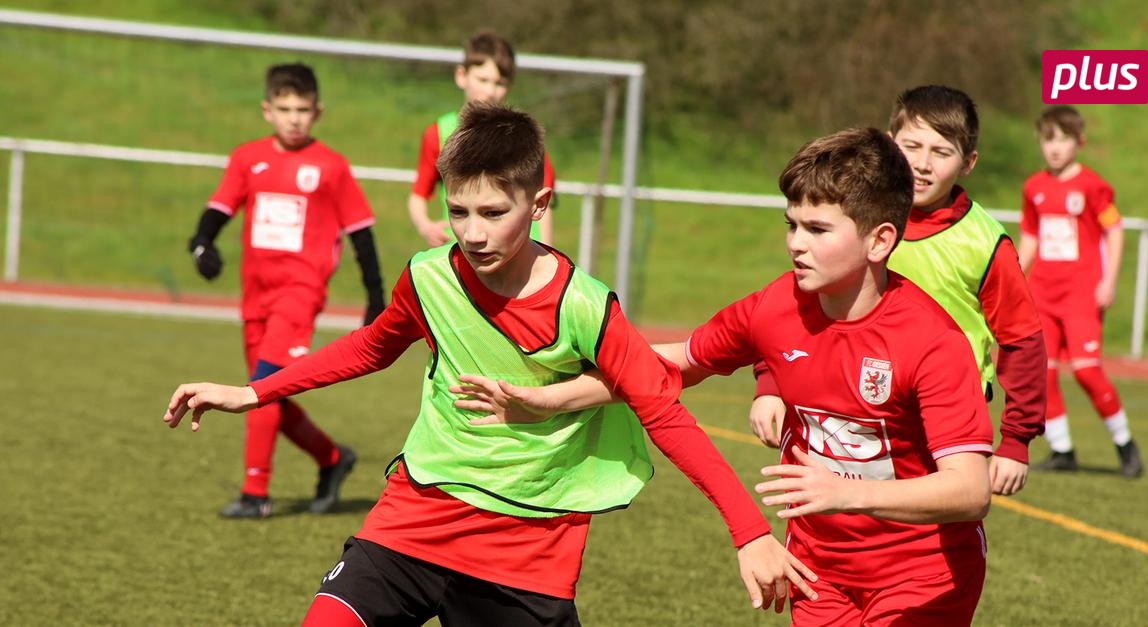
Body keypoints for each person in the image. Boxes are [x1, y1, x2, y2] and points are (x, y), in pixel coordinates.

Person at [165, 102, 814, 626]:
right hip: (416, 514)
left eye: (493, 213)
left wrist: (750, 531)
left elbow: (665, 415)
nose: (472, 232)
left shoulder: (582, 306)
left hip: (527, 546)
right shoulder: (427, 276)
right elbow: (371, 346)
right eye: (458, 211)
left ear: (538, 204)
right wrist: (253, 393)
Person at [454, 127, 995, 625]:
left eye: (817, 228)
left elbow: (969, 490)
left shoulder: (931, 340)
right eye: (791, 223)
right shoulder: (776, 307)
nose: (795, 243)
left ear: (879, 241)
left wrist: (842, 492)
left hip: (924, 575)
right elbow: (667, 364)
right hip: (817, 570)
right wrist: (556, 399)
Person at [751, 85, 1046, 496]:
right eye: (912, 146)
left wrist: (1016, 439)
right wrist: (770, 385)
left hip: (944, 416)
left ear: (969, 163)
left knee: (926, 529)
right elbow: (793, 310)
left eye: (941, 153)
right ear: (892, 145)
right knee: (835, 524)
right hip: (846, 406)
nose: (923, 165)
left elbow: (1022, 340)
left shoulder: (985, 243)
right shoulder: (850, 218)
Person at [185, 62, 384, 518]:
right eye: (284, 108)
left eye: (303, 109)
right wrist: (201, 244)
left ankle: (255, 494)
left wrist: (375, 295)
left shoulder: (331, 167)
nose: (294, 117)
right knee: (268, 390)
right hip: (256, 294)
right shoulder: (246, 157)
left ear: (318, 112)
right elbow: (218, 208)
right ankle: (333, 458)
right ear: (267, 110)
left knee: (259, 385)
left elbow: (362, 231)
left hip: (301, 291)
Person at [1018, 104, 1144, 478]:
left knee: (1087, 371)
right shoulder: (1033, 188)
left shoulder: (1092, 186)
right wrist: (1014, 284)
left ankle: (1125, 445)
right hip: (1043, 293)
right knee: (1043, 373)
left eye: (1062, 139)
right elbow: (1029, 241)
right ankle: (1062, 450)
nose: (1054, 147)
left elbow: (1114, 230)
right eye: (1047, 139)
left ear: (1079, 142)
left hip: (1080, 294)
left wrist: (1108, 280)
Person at [408, 29, 556, 248]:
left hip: (519, 253)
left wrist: (546, 250)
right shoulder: (439, 132)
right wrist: (425, 226)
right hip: (465, 248)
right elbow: (418, 195)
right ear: (461, 76)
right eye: (483, 79)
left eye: (499, 83)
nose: (489, 91)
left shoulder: (522, 135)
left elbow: (545, 203)